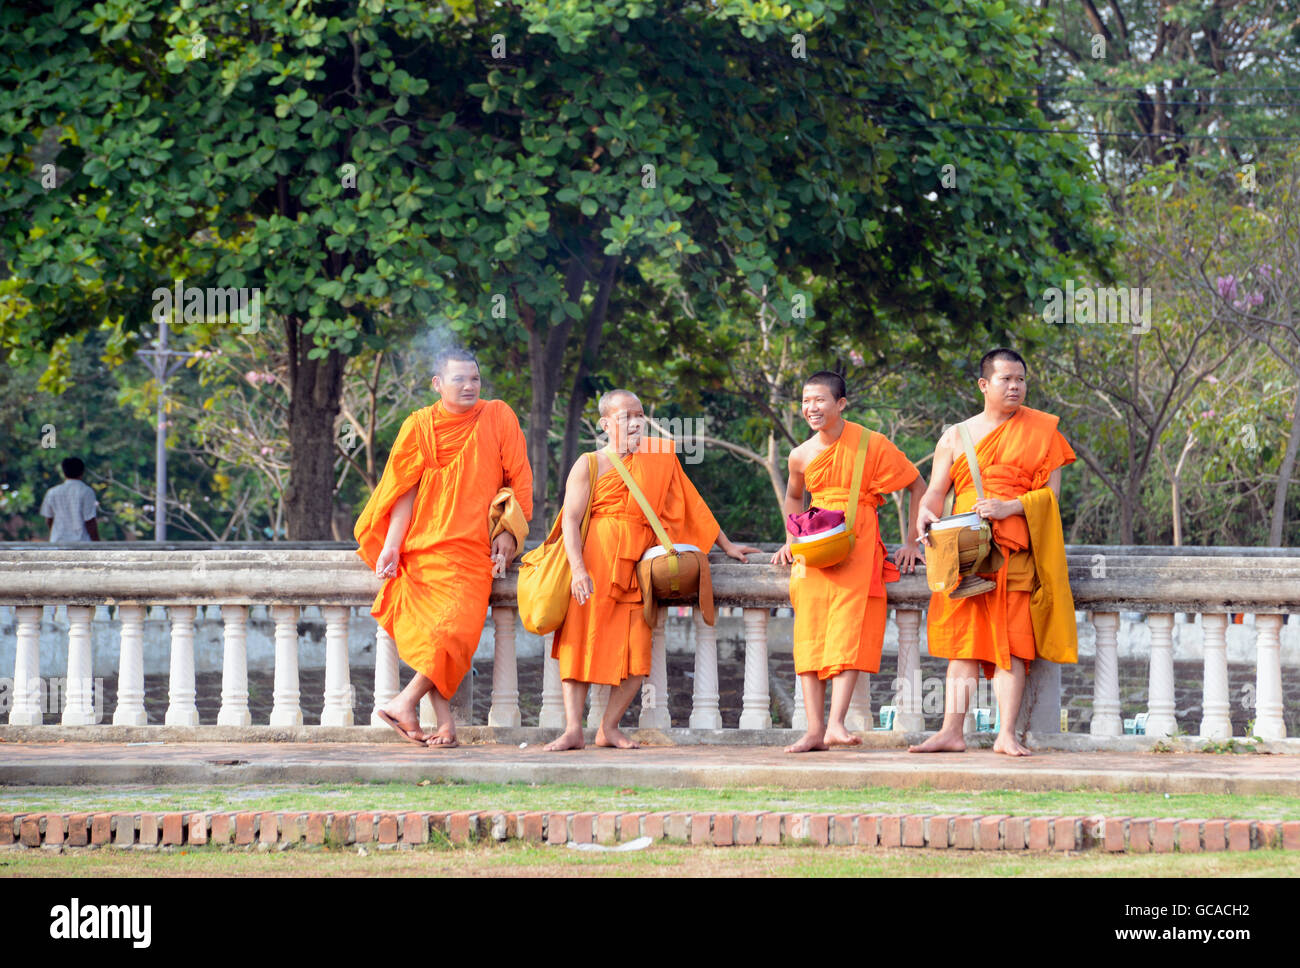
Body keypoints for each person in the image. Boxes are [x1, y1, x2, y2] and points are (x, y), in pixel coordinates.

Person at [544, 389, 760, 751]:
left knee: (636, 651)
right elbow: (570, 520)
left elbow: (693, 504)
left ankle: (608, 728)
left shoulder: (660, 457)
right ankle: (571, 730)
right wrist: (578, 569)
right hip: (595, 563)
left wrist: (727, 546)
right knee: (579, 644)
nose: (634, 422)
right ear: (605, 423)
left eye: (639, 414)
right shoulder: (590, 463)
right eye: (625, 415)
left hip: (640, 563)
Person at [354, 348, 532, 748]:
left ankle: (405, 702)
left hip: (471, 549)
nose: (470, 386)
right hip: (424, 546)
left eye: (475, 379)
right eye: (459, 379)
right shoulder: (418, 426)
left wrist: (510, 531)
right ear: (437, 384)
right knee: (439, 634)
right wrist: (392, 547)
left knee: (455, 632)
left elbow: (519, 481)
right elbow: (403, 493)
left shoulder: (498, 416)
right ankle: (442, 723)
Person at [909, 348, 1076, 757]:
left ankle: (1006, 734)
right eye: (1006, 379)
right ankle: (951, 731)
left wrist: (1010, 507)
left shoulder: (1044, 432)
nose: (1015, 386)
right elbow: (935, 490)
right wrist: (925, 515)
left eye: (1021, 379)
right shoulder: (955, 436)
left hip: (1014, 550)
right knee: (962, 643)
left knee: (1012, 643)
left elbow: (1051, 499)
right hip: (964, 550)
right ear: (984, 385)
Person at [771, 372, 926, 752]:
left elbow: (918, 485)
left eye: (820, 400)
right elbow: (794, 498)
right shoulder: (801, 454)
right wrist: (791, 539)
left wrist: (912, 542)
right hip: (815, 548)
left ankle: (835, 725)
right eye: (806, 401)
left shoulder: (871, 444)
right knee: (809, 635)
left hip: (858, 544)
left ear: (841, 404)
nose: (812, 408)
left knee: (849, 632)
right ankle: (812, 729)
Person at [41, 457, 100, 542]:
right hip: (81, 545)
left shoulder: (52, 492)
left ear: (64, 472)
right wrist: (97, 544)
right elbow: (90, 521)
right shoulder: (86, 491)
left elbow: (49, 520)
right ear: (82, 472)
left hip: (58, 544)